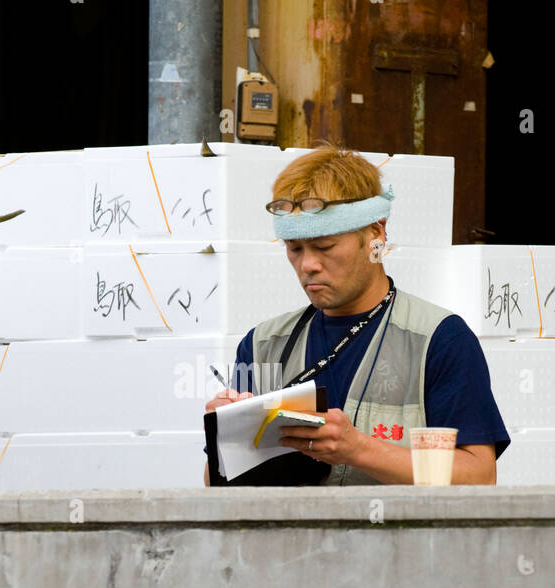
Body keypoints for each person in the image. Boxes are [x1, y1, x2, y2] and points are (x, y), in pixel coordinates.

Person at [203, 144, 509, 485]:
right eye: (295, 249)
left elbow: (479, 475)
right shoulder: (262, 345)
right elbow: (216, 485)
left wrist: (359, 449)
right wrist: (224, 439)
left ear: (376, 233)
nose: (308, 265)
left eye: (324, 247)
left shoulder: (438, 340)